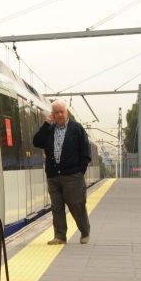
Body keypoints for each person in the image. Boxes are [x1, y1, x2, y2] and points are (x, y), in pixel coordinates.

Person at [33, 100, 92, 245]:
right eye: (56, 112)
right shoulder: (50, 129)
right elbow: (37, 142)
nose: (59, 115)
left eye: (62, 112)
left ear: (66, 113)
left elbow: (86, 151)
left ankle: (85, 231)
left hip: (73, 176)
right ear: (52, 114)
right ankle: (60, 236)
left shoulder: (76, 128)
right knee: (57, 207)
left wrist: (80, 171)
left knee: (76, 205)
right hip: (53, 176)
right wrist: (46, 124)